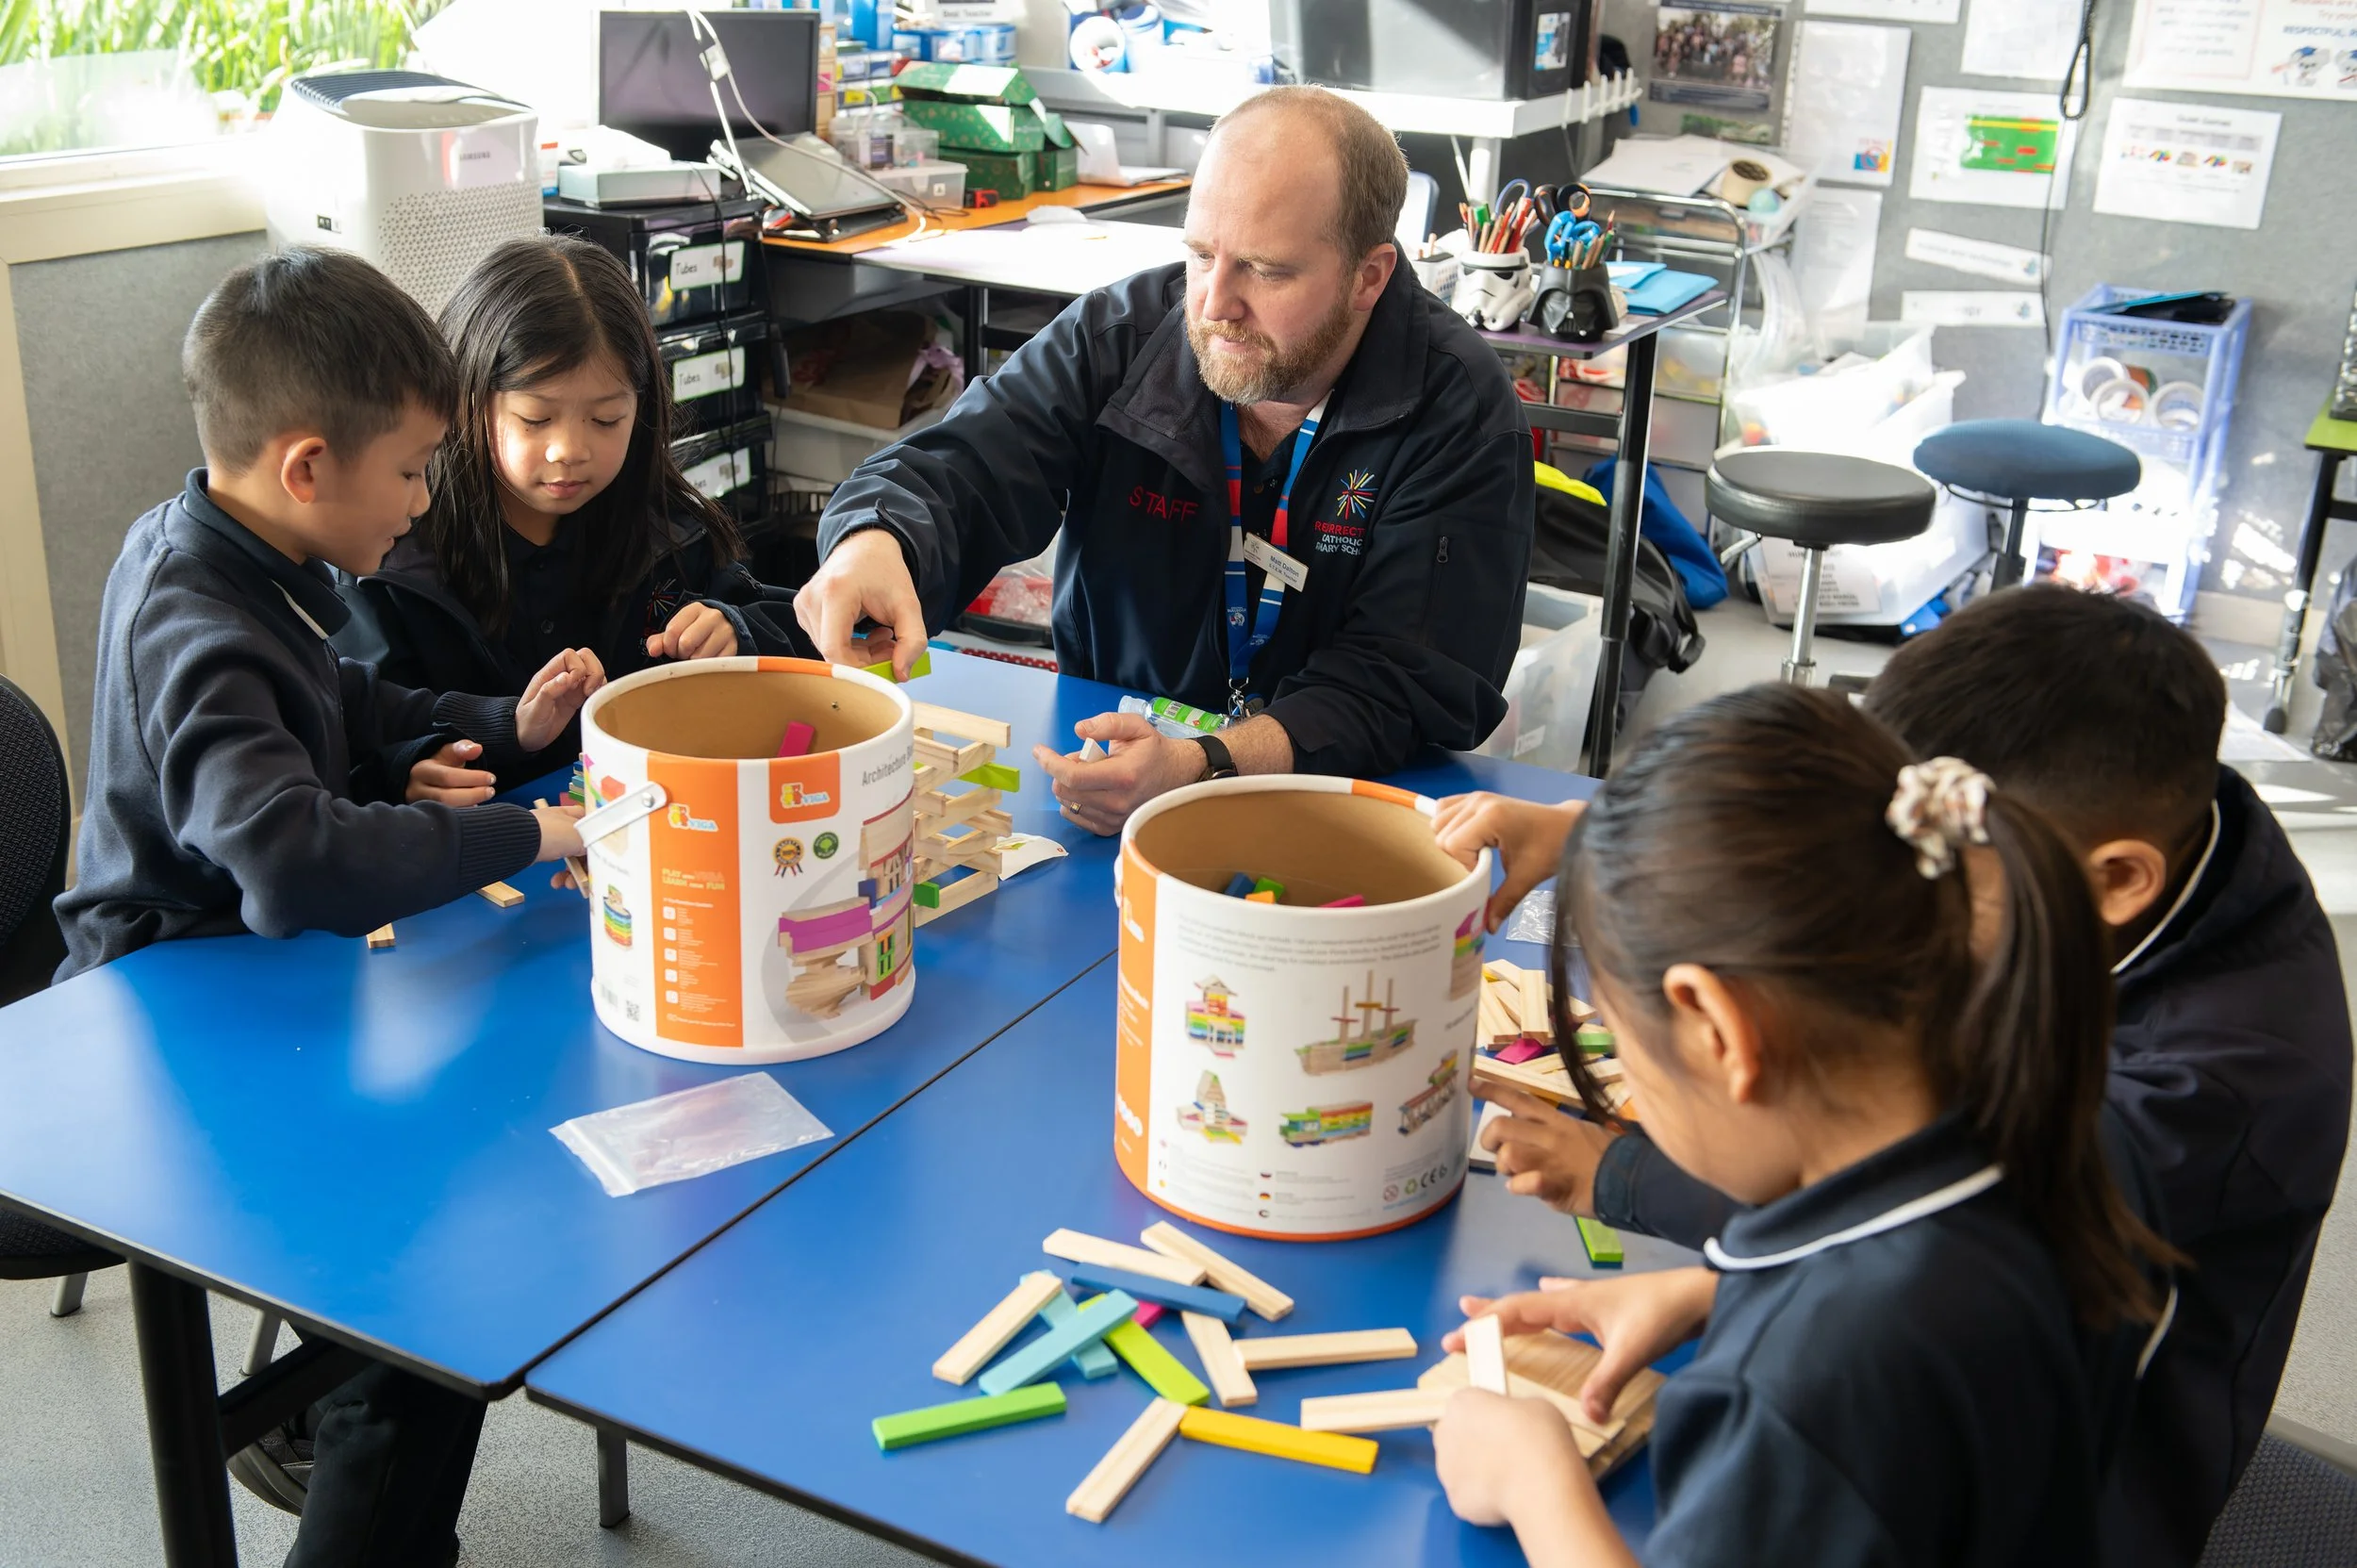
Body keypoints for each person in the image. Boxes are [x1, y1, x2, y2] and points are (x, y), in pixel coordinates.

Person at [1438, 586, 2352, 1566]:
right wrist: (1718, 1289)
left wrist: (1538, 1483)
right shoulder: (2019, 1126)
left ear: (1716, 1028)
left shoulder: (2183, 1103)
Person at [54, 246, 594, 1566]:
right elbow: (290, 860)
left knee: (452, 1229)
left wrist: (494, 720)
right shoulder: (202, 619)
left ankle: (356, 1432)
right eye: (411, 470)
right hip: (169, 1004)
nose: (422, 501)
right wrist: (524, 826)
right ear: (308, 467)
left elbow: (342, 697)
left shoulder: (245, 552)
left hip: (257, 978)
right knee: (434, 1314)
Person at [794, 85, 1534, 834]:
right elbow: (965, 466)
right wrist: (874, 539)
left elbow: (1406, 680)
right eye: (1201, 254)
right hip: (1108, 762)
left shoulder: (1458, 408)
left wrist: (1205, 762)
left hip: (1341, 806)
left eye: (1266, 270)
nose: (1214, 305)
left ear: (1368, 276)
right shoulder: (1121, 336)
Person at [337, 235, 796, 792]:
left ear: (641, 410)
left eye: (606, 421)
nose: (569, 450)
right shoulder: (390, 551)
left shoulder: (665, 528)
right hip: (484, 844)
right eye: (535, 419)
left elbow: (795, 627)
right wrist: (405, 769)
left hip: (644, 818)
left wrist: (734, 630)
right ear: (465, 399)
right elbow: (354, 727)